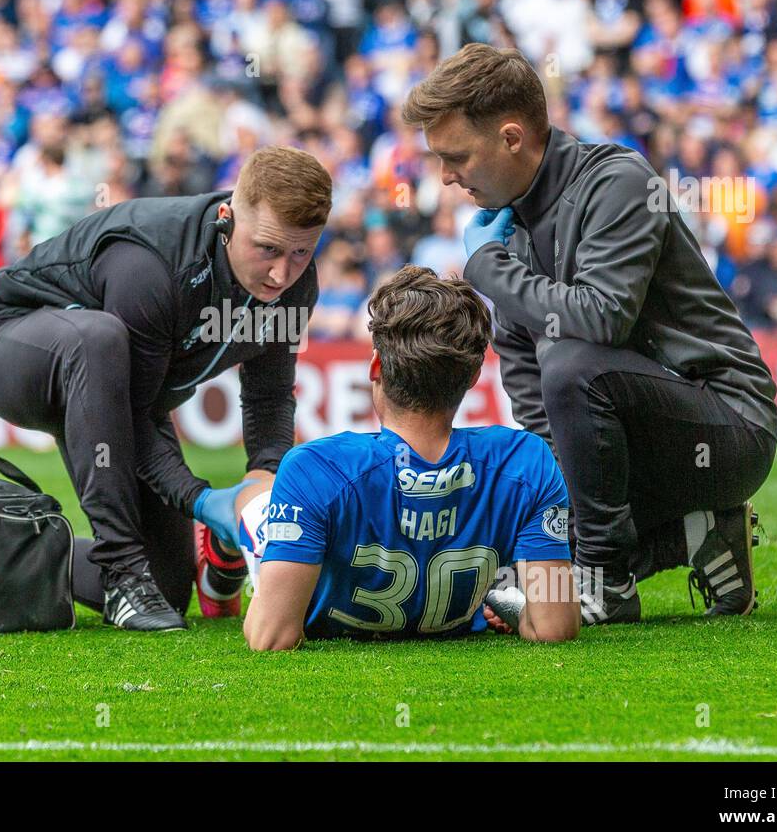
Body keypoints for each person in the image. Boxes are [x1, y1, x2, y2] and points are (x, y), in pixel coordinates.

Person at [401, 43, 777, 623]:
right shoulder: (514, 226)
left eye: (455, 157)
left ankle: (604, 584)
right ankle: (702, 532)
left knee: (574, 363)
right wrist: (553, 528)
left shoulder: (617, 181)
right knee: (506, 537)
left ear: (511, 137)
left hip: (729, 424)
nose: (446, 177)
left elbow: (604, 317)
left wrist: (491, 270)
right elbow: (534, 403)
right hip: (627, 446)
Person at [0, 146, 331, 631]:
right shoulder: (155, 268)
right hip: (17, 345)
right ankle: (122, 572)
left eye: (301, 252)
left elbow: (269, 394)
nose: (281, 273)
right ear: (227, 219)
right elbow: (131, 417)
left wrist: (261, 480)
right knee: (98, 340)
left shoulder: (295, 284)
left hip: (123, 391)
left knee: (165, 588)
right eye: (267, 249)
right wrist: (203, 500)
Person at [225, 265, 578, 650]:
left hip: (327, 593)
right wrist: (506, 602)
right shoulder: (527, 461)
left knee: (258, 491)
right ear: (475, 375)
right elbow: (554, 626)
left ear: (375, 366)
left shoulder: (313, 467)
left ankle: (220, 546)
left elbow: (270, 637)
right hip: (449, 606)